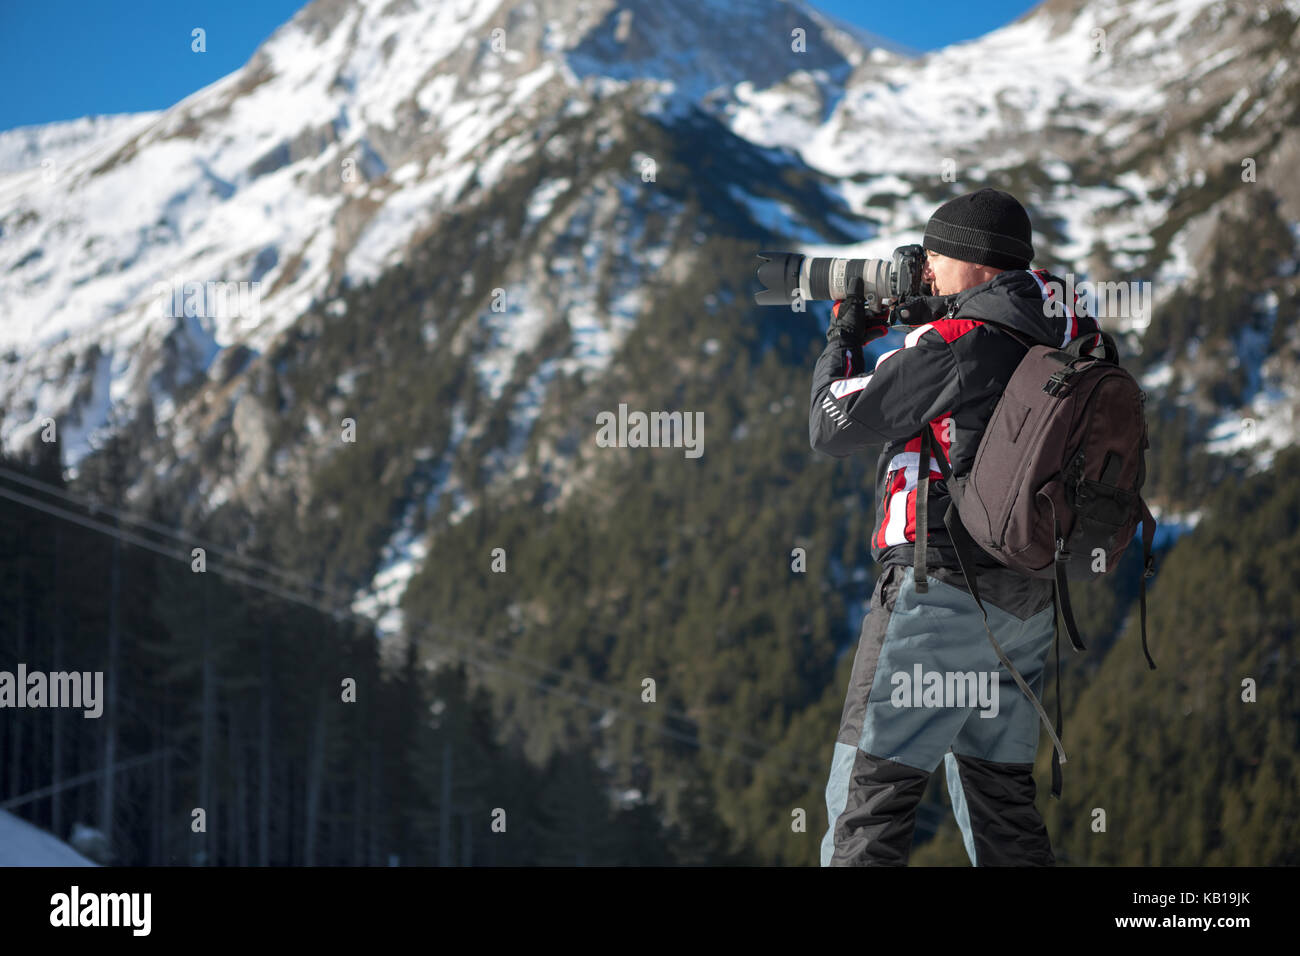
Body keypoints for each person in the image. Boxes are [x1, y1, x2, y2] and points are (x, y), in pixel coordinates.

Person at [810, 187, 1103, 866]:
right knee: (1000, 805)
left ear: (976, 263)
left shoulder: (956, 343)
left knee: (869, 801)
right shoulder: (1067, 327)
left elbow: (830, 424)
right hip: (1026, 601)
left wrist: (844, 340)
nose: (929, 269)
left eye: (938, 256)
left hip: (936, 590)